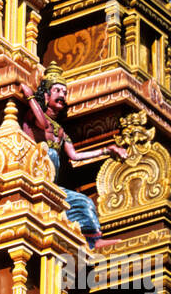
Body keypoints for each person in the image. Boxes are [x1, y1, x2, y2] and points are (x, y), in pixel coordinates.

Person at [20, 67, 126, 248]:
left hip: (52, 187)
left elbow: (75, 155)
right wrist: (30, 97)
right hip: (31, 182)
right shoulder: (33, 118)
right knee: (51, 153)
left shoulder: (60, 131)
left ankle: (93, 240)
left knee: (84, 202)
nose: (62, 95)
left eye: (65, 92)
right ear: (46, 96)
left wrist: (106, 151)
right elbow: (43, 123)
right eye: (57, 91)